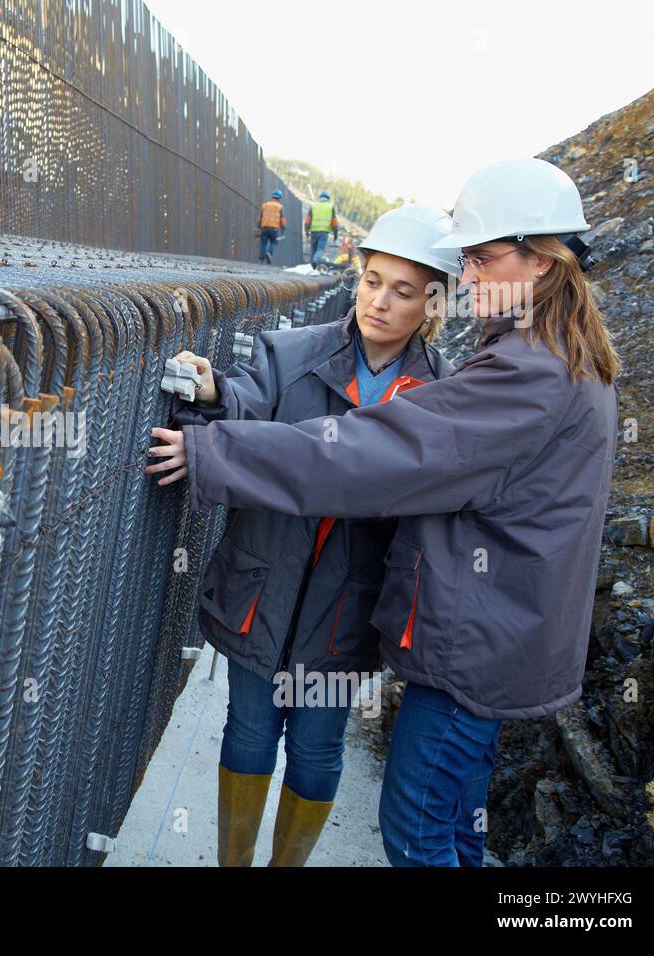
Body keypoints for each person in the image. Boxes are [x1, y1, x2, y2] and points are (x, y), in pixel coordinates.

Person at [147, 158, 619, 867]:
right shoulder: (548, 359)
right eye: (373, 282)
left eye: (484, 259)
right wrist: (222, 403)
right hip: (460, 634)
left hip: (459, 641)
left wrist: (217, 454)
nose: (475, 277)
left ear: (543, 261)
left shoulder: (518, 373)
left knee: (417, 834)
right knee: (446, 828)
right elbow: (265, 393)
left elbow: (369, 452)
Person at [157, 204, 458, 866]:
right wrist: (212, 393)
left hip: (347, 608)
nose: (379, 301)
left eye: (403, 291)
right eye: (372, 279)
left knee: (319, 747)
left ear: (432, 303)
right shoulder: (291, 354)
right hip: (263, 583)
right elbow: (247, 403)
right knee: (249, 730)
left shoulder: (438, 397)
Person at [305, 190, 339, 267]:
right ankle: (315, 260)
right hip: (324, 232)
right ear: (328, 198)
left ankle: (312, 266)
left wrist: (306, 230)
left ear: (320, 198)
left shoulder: (314, 206)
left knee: (313, 249)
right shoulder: (330, 207)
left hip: (313, 231)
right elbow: (334, 222)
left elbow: (308, 219)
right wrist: (335, 233)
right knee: (320, 249)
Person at [258, 189, 287, 264]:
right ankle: (269, 253)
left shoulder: (265, 205)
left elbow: (260, 217)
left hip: (264, 227)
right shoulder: (280, 207)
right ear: (279, 198)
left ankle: (261, 259)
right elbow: (282, 219)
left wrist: (258, 226)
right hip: (274, 228)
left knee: (263, 243)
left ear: (272, 196)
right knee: (274, 242)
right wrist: (283, 228)